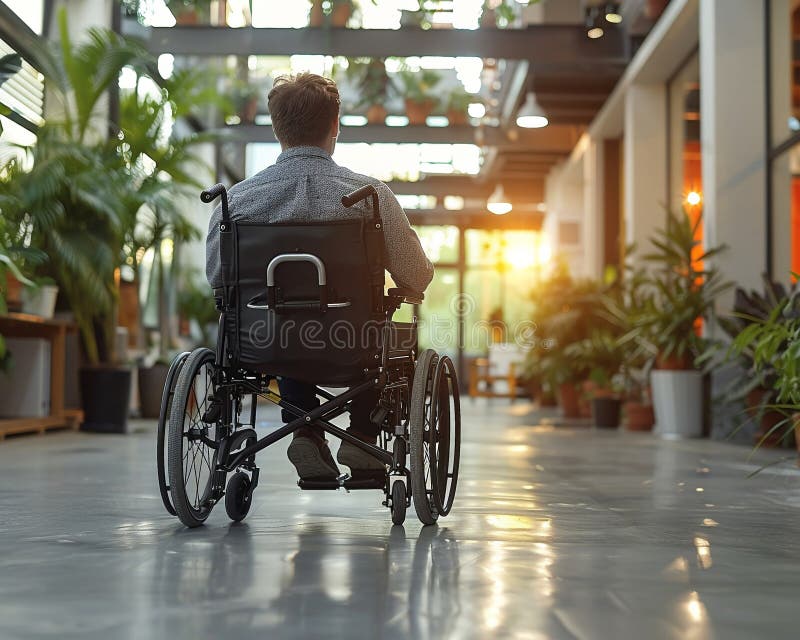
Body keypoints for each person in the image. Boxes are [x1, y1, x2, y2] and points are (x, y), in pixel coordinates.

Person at [206, 73, 434, 481]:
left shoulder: (236, 202)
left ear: (276, 128)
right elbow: (416, 274)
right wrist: (411, 287)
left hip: (266, 344)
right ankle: (362, 434)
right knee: (381, 332)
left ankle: (307, 432)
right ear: (335, 125)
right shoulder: (371, 197)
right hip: (354, 343)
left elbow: (219, 280)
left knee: (290, 320)